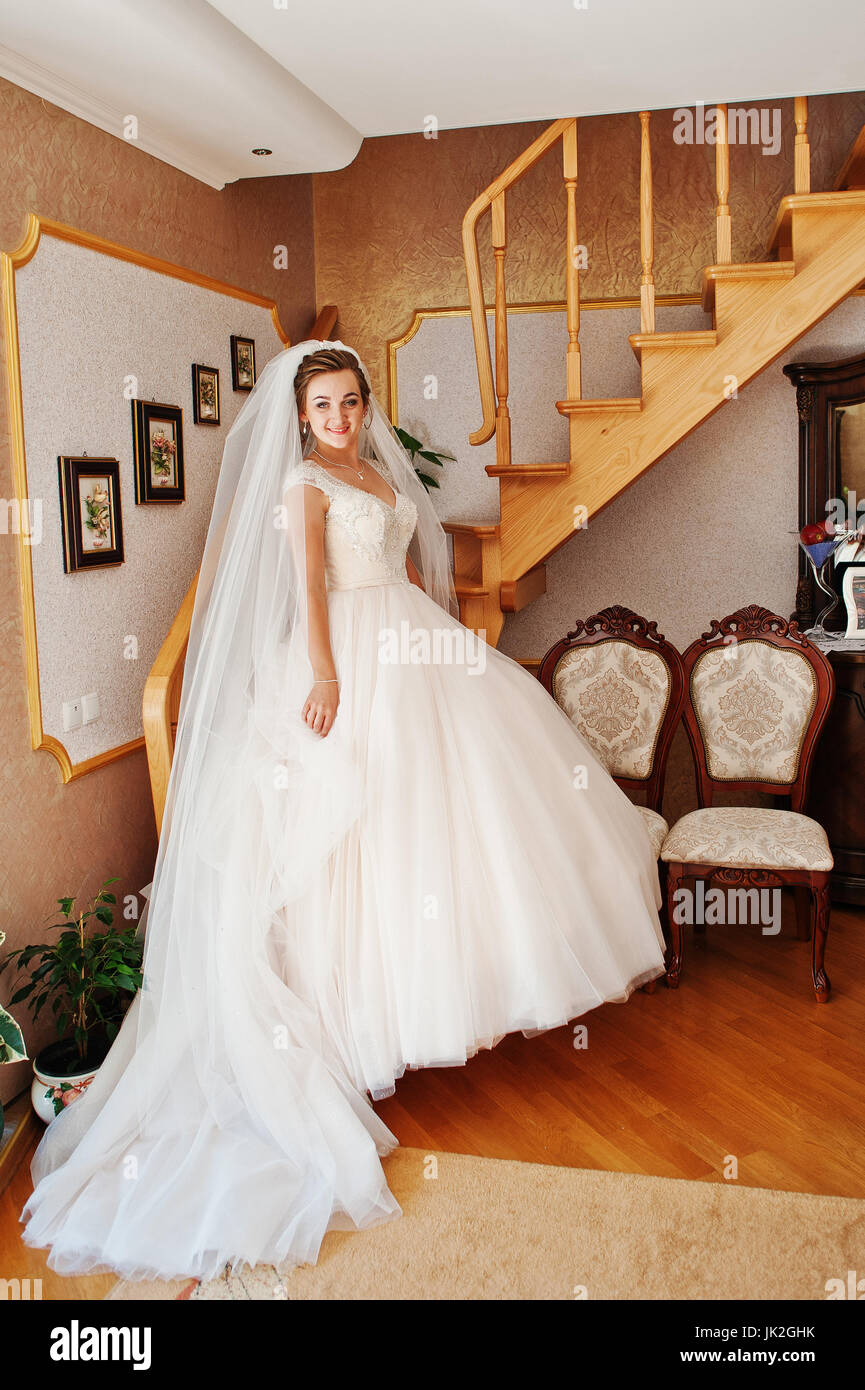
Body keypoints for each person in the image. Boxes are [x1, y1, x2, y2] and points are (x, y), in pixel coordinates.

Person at [19, 339, 666, 1283]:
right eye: (322, 406)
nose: (338, 418)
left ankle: (434, 1002)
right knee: (352, 839)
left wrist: (451, 645)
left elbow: (402, 573)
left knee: (451, 827)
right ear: (300, 413)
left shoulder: (369, 467)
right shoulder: (301, 488)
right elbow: (306, 591)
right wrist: (322, 676)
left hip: (413, 649)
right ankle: (358, 1030)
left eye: (350, 402)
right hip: (346, 661)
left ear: (365, 405)